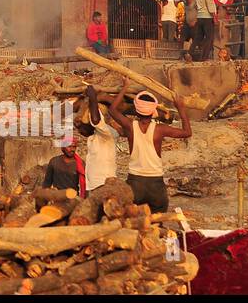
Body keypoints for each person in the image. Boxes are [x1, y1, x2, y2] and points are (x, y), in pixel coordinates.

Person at [106, 85, 191, 213]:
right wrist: (181, 108)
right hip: (155, 184)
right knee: (157, 221)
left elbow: (112, 110)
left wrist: (124, 88)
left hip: (134, 183)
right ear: (153, 111)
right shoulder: (160, 129)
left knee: (133, 220)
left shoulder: (130, 126)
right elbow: (187, 132)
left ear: (136, 109)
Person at [80, 84, 117, 193]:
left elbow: (96, 119)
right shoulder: (94, 136)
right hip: (95, 184)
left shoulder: (107, 133)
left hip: (104, 184)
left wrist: (92, 96)